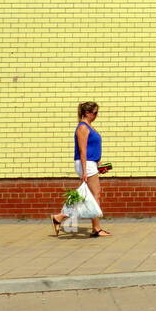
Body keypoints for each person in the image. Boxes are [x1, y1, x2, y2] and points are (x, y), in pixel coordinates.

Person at [51, 101, 111, 237]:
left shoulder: (89, 126)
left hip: (91, 163)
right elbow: (83, 151)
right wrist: (84, 171)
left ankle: (60, 217)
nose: (96, 115)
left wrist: (99, 165)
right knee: (95, 194)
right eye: (94, 113)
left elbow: (92, 149)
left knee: (88, 195)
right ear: (87, 113)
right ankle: (95, 228)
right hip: (86, 163)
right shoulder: (82, 128)